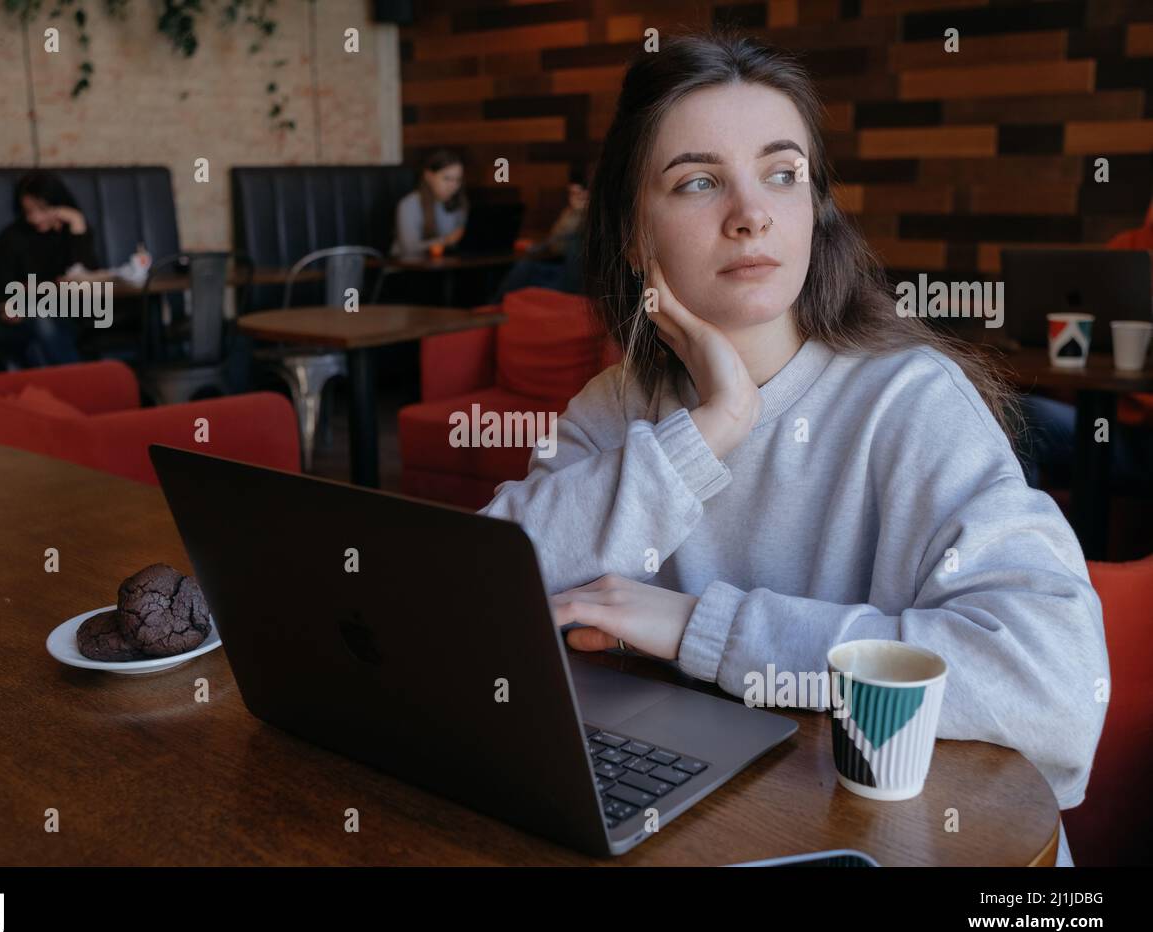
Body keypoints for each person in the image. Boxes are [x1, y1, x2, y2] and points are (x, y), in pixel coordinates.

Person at [478, 32, 1106, 866]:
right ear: (635, 240)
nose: (751, 212)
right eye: (699, 181)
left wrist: (705, 627)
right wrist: (714, 425)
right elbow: (484, 598)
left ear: (815, 207)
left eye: (782, 173)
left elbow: (1052, 688)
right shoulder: (614, 406)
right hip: (718, 832)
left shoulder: (911, 401)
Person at [1018, 198, 1153, 492]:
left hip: (1139, 439)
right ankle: (1020, 535)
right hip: (1107, 424)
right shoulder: (1126, 249)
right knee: (1018, 414)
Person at [0, 170, 96, 366]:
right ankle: (82, 387)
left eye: (43, 210)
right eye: (29, 212)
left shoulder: (72, 233)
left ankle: (55, 395)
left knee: (36, 349)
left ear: (60, 205)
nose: (36, 218)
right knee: (42, 320)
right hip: (10, 322)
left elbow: (84, 277)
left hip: (64, 318)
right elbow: (1, 297)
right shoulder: (12, 237)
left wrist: (77, 223)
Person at [492, 173, 589, 301]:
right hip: (560, 265)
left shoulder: (588, 217)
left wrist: (580, 211)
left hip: (572, 279)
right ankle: (495, 306)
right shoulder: (569, 212)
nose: (574, 198)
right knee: (524, 266)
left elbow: (559, 241)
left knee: (525, 269)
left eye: (579, 194)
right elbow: (555, 238)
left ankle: (496, 306)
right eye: (571, 193)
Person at [391, 149, 469, 258]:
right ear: (428, 176)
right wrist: (445, 241)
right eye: (447, 179)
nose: (453, 186)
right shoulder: (409, 204)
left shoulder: (459, 204)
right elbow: (408, 249)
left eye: (457, 180)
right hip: (406, 269)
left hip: (444, 267)